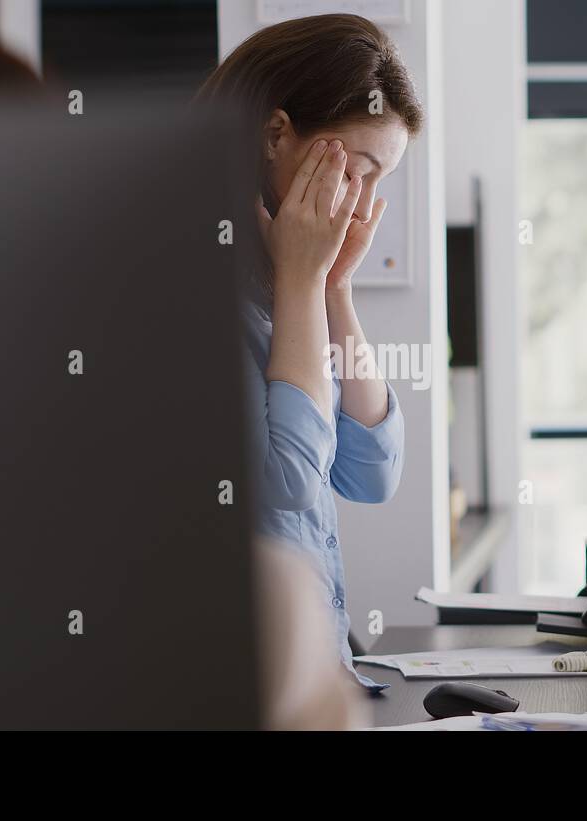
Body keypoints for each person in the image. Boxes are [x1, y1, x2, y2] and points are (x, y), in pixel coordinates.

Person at [197, 14, 425, 692]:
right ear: (275, 135)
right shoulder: (202, 298)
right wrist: (303, 280)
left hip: (318, 684)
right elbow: (288, 483)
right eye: (356, 171)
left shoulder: (282, 303)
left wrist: (334, 288)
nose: (362, 205)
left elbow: (373, 470)